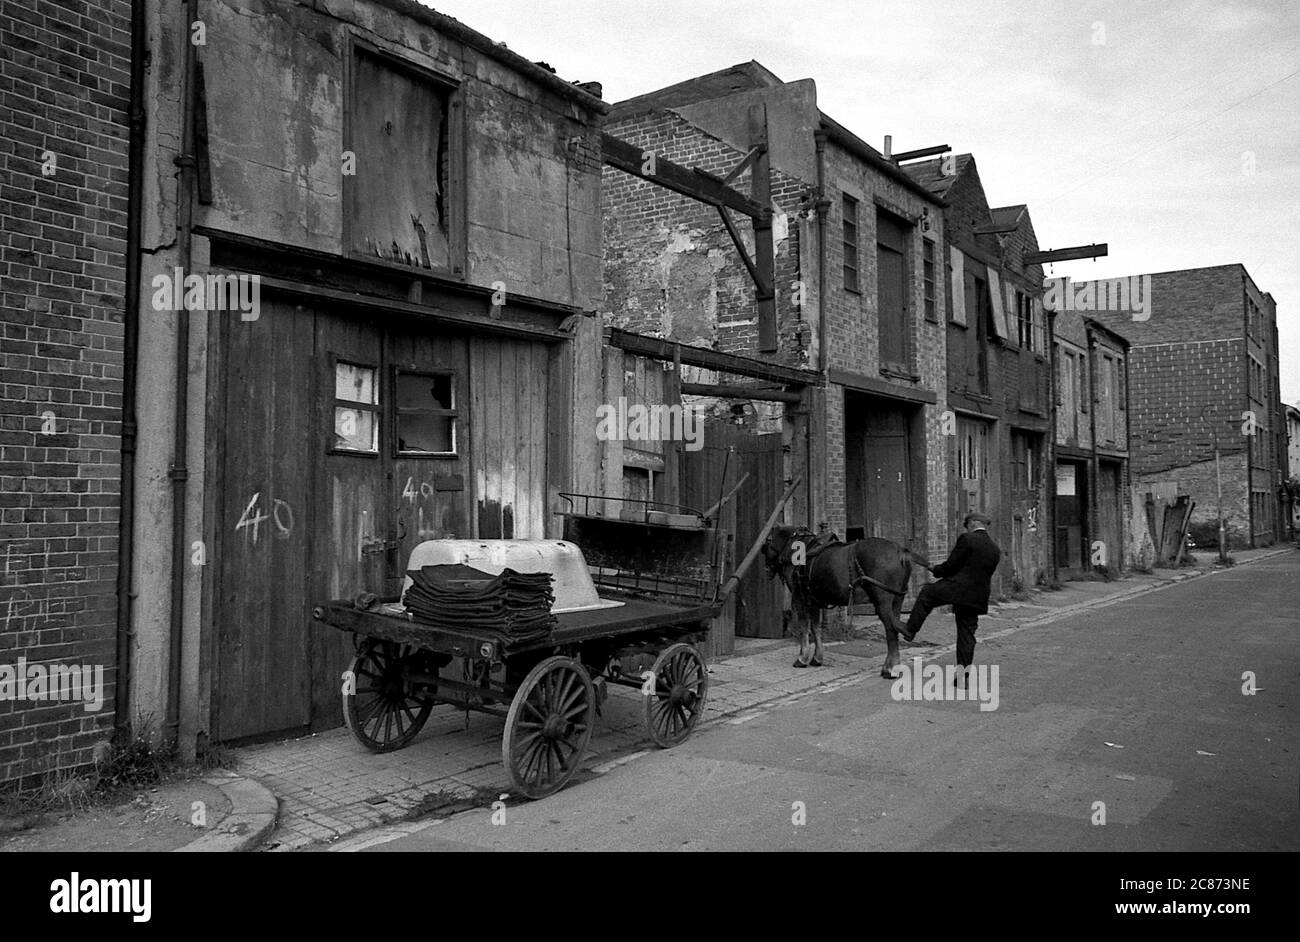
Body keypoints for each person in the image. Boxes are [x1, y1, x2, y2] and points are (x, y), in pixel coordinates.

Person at [899, 511, 1001, 686]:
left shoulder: (967, 539)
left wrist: (934, 569)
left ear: (974, 523)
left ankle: (910, 629)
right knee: (966, 636)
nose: (967, 528)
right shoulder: (995, 549)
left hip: (958, 588)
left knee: (927, 593)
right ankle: (963, 679)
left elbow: (951, 567)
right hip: (977, 597)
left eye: (967, 525)